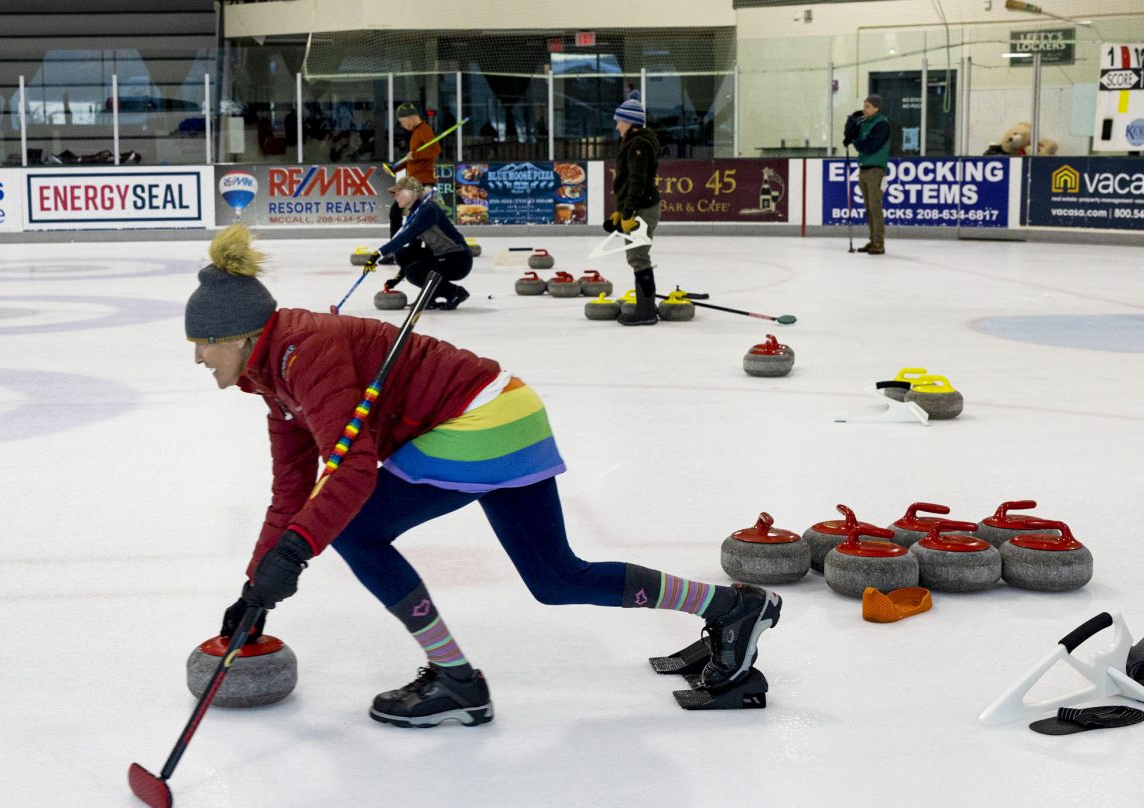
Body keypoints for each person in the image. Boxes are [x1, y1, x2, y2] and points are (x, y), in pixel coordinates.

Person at [187, 225, 782, 724]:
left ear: (238, 336)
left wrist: (292, 553)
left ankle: (455, 680)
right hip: (510, 410)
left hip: (477, 420)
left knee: (356, 529)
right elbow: (290, 493)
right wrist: (254, 590)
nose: (197, 358)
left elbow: (351, 470)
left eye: (202, 345)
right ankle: (730, 607)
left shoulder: (306, 351)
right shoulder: (275, 381)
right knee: (556, 577)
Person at [604, 90, 663, 325]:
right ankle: (647, 306)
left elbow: (638, 182)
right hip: (640, 206)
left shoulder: (638, 144)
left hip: (642, 208)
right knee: (638, 257)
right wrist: (621, 211)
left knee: (638, 258)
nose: (617, 125)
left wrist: (628, 211)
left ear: (629, 121)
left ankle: (646, 311)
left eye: (619, 120)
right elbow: (629, 182)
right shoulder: (636, 141)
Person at [375, 174, 472, 310]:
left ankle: (454, 292)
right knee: (403, 254)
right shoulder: (415, 212)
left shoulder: (428, 210)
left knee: (414, 272)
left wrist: (379, 253)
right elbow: (413, 250)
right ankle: (430, 297)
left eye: (398, 193)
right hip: (441, 255)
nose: (395, 197)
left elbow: (406, 236)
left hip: (457, 258)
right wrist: (396, 279)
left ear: (410, 194)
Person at [843, 95, 892, 253]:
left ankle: (879, 242)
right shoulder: (865, 122)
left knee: (874, 206)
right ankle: (873, 240)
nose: (864, 109)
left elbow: (870, 145)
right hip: (864, 169)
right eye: (864, 106)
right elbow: (851, 135)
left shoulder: (882, 124)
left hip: (875, 169)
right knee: (868, 208)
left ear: (877, 108)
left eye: (868, 106)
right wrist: (851, 127)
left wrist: (856, 143)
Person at [390, 102, 440, 235]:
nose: (402, 125)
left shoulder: (424, 130)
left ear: (410, 117)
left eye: (402, 121)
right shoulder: (416, 133)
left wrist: (416, 155)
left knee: (397, 212)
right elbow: (412, 160)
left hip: (421, 183)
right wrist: (395, 168)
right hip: (415, 183)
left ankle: (395, 248)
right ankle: (407, 248)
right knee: (414, 217)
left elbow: (435, 150)